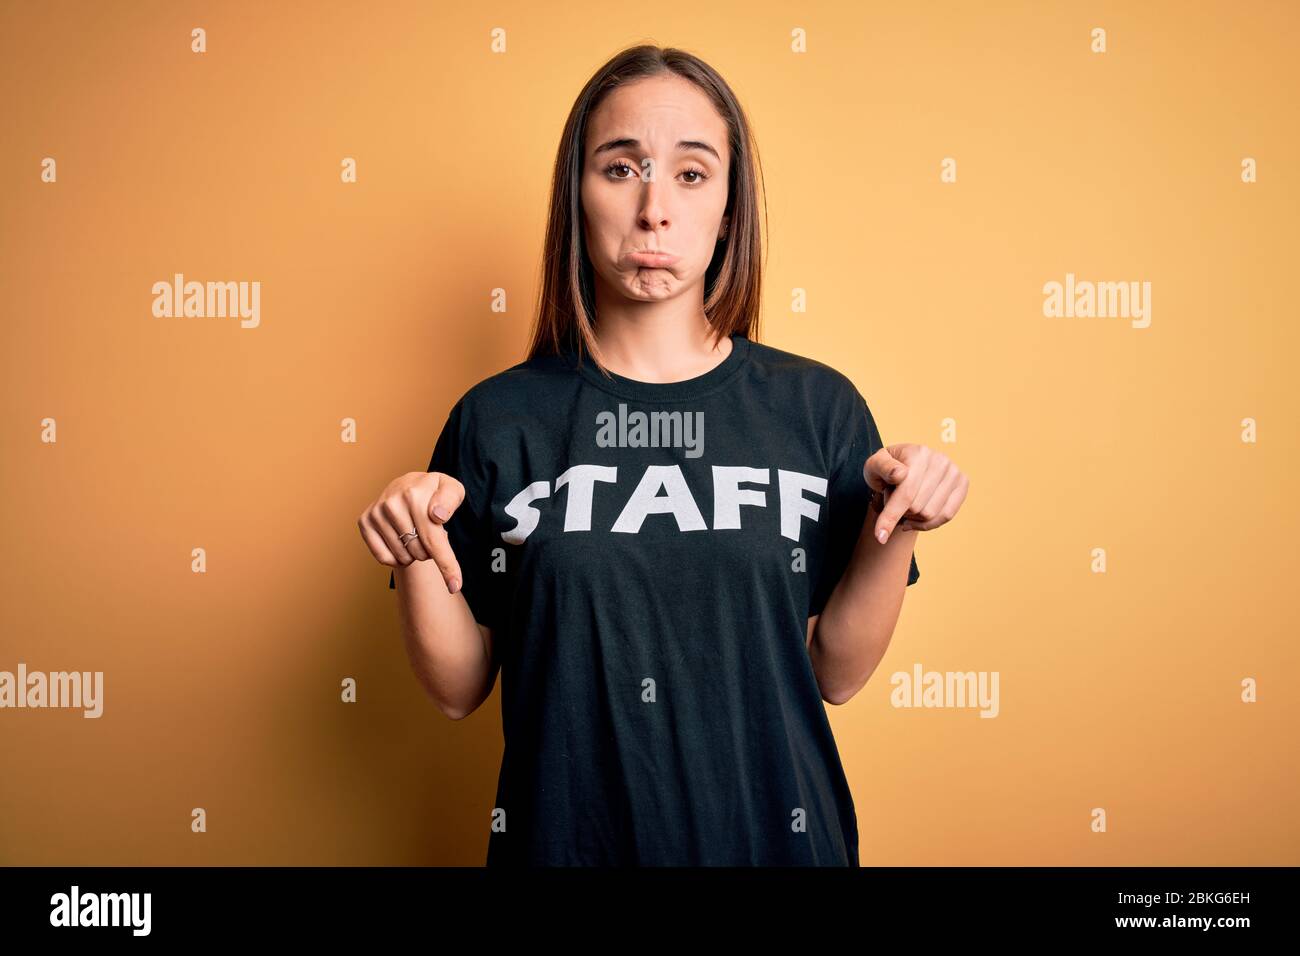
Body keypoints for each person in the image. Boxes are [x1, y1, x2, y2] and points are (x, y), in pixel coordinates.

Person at [357, 45, 969, 866]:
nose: (655, 209)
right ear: (576, 198)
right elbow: (459, 686)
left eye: (690, 174)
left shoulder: (817, 410)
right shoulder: (498, 420)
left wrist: (902, 523)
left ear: (728, 208)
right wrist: (414, 544)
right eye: (620, 168)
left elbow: (837, 672)